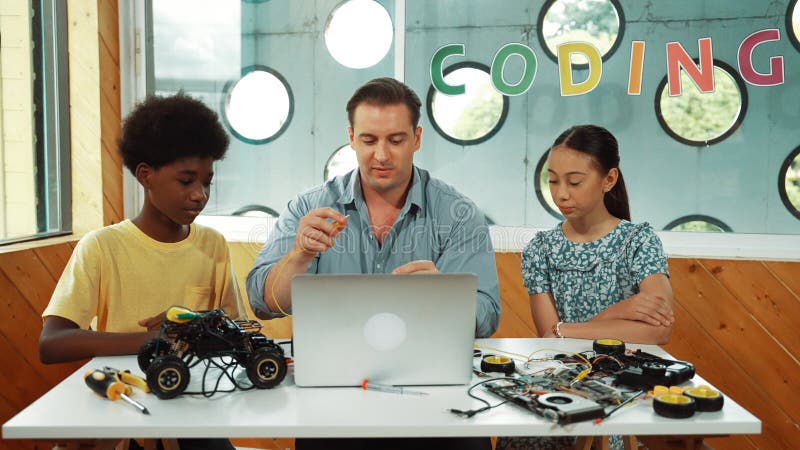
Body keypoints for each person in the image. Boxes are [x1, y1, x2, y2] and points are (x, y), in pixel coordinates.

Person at [246, 77, 500, 450]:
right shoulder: (309, 207)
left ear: (416, 138)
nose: (381, 154)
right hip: (331, 398)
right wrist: (299, 254)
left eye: (395, 140)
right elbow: (263, 303)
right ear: (351, 137)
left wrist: (444, 295)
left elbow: (488, 313)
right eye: (369, 140)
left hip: (434, 398)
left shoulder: (458, 213)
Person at [39, 93, 245, 450]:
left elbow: (233, 330)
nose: (200, 195)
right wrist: (149, 340)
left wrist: (195, 327)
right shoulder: (102, 247)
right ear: (146, 176)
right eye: (186, 181)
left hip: (192, 411)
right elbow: (51, 343)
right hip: (124, 413)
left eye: (207, 182)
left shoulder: (213, 245)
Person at [496, 124, 674, 450]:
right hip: (557, 381)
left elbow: (659, 331)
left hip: (621, 386)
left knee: (602, 434)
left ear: (609, 179)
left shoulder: (639, 241)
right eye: (552, 180)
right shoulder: (541, 248)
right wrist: (621, 311)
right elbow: (549, 341)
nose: (561, 193)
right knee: (520, 433)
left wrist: (567, 328)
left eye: (574, 181)